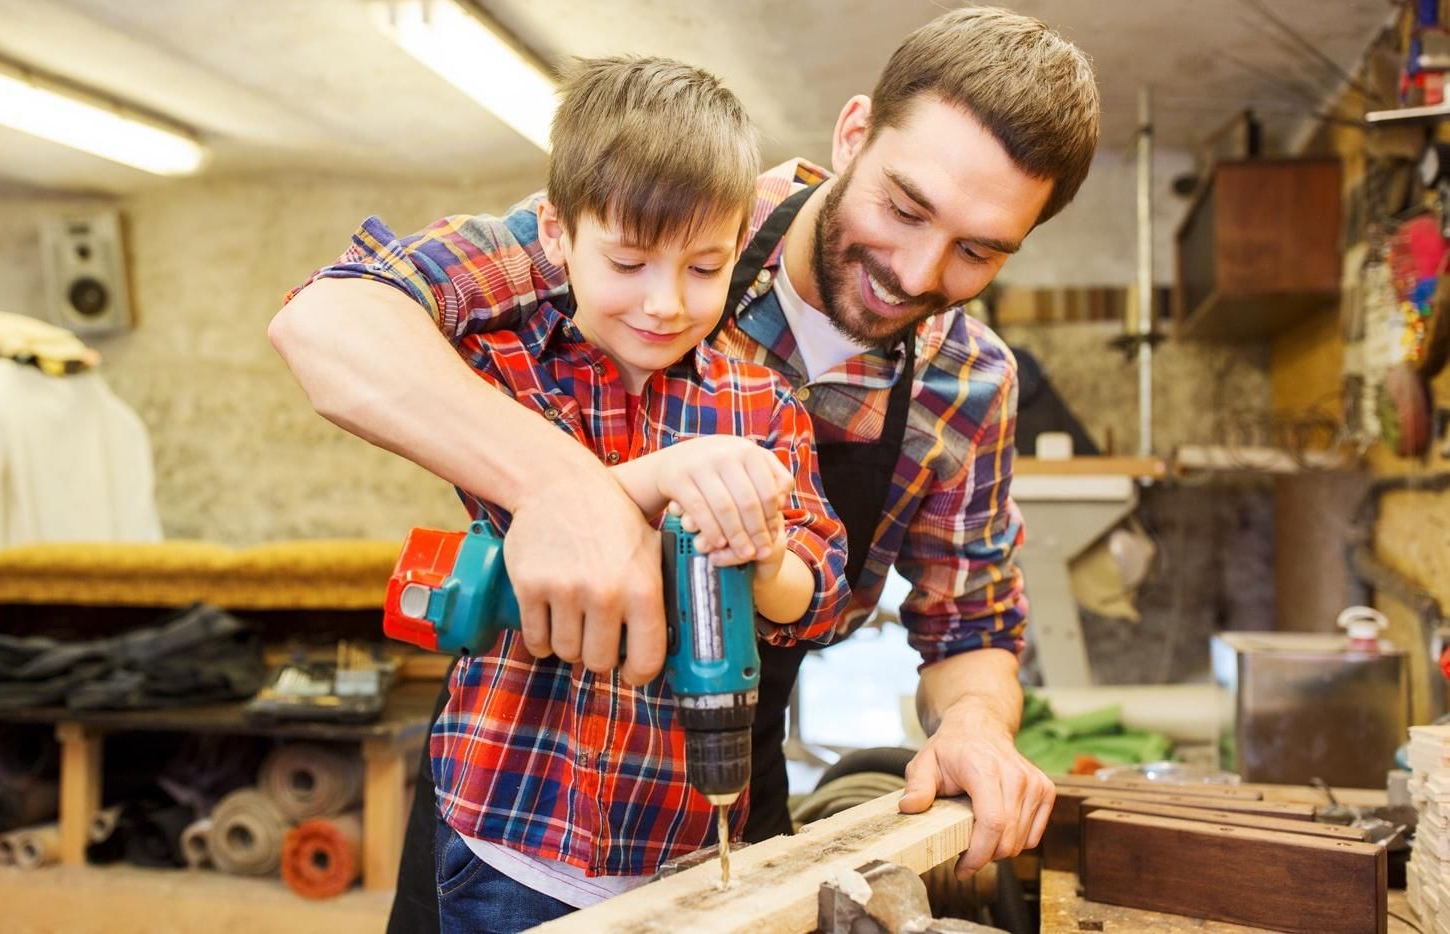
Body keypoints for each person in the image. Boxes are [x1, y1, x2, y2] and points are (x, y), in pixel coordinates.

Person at [271, 7, 1100, 932]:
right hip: (518, 781)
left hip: (721, 786)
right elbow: (333, 322)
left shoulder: (970, 381)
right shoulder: (674, 211)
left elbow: (969, 626)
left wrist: (976, 726)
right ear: (854, 134)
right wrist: (573, 489)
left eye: (977, 250)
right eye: (904, 208)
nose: (915, 269)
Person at [281, 57, 850, 930]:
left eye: (704, 268)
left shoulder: (760, 405)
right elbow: (346, 322)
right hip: (512, 823)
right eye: (628, 261)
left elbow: (816, 599)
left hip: (687, 840)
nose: (664, 303)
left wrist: (765, 554)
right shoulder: (502, 368)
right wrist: (653, 481)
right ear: (556, 234)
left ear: (740, 248)